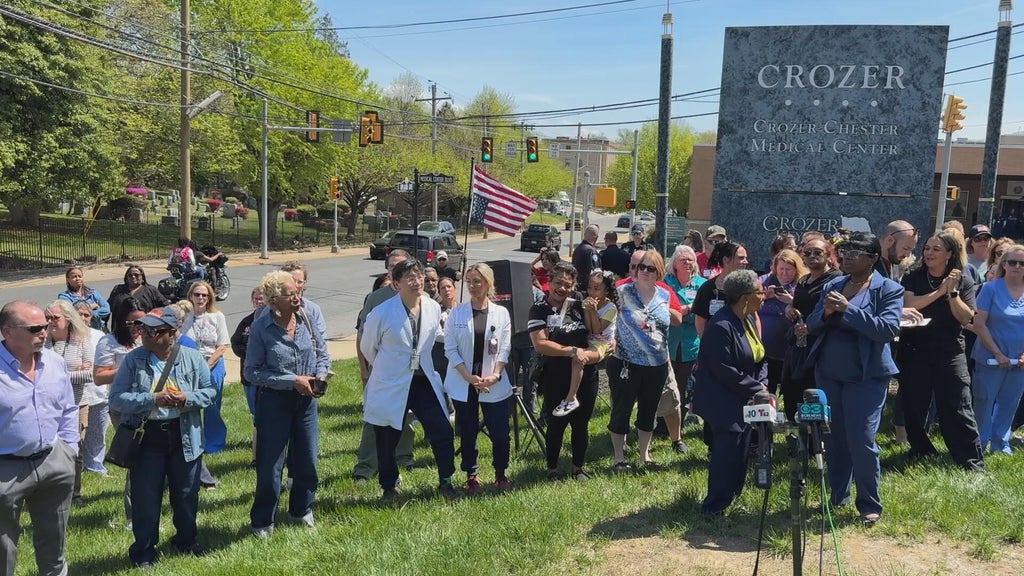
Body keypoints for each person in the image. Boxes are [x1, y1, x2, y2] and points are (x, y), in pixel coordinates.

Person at [807, 232, 904, 525]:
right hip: (830, 372)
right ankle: (838, 496)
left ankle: (869, 503)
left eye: (855, 253)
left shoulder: (888, 289)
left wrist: (848, 310)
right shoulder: (834, 285)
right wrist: (824, 313)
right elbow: (811, 325)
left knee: (861, 438)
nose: (847, 257)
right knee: (835, 438)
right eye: (845, 251)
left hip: (867, 376)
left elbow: (886, 330)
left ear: (873, 258)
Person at [109, 306, 213, 567]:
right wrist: (152, 398)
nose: (144, 335)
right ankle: (144, 552)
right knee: (145, 498)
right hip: (148, 437)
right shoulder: (134, 360)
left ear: (171, 334)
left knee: (187, 494)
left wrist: (186, 398)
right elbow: (117, 398)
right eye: (142, 329)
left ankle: (186, 541)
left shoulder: (191, 357)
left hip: (184, 434)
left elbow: (209, 392)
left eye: (153, 331)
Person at [361, 259, 459, 502]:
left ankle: (446, 481)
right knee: (387, 436)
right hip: (392, 381)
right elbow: (368, 348)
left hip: (423, 379)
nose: (417, 282)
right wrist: (391, 366)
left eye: (419, 276)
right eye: (410, 278)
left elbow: (434, 334)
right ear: (396, 284)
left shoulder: (432, 307)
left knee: (442, 429)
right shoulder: (381, 313)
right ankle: (389, 487)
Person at [245, 271, 330, 536]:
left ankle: (302, 509)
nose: (297, 298)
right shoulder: (261, 327)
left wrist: (321, 374)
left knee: (308, 460)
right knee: (271, 466)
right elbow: (252, 372)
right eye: (290, 294)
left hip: (306, 402)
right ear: (272, 301)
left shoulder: (306, 316)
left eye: (297, 292)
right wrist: (292, 380)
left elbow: (321, 352)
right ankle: (263, 521)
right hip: (274, 402)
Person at [0, 301, 78, 576]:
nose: (44, 332)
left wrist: (69, 450)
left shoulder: (54, 362)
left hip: (53, 462)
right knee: (3, 548)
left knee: (54, 543)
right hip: (5, 470)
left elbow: (69, 407)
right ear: (8, 332)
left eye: (45, 325)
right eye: (35, 328)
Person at [898, 230, 984, 471]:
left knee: (957, 404)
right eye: (927, 248)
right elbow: (910, 304)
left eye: (936, 249)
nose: (929, 253)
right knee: (913, 405)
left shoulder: (964, 281)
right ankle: (921, 450)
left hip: (949, 351)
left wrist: (953, 292)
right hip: (915, 348)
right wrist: (940, 291)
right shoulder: (914, 277)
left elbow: (966, 317)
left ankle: (970, 459)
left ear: (949, 254)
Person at [691, 270, 767, 517]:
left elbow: (758, 354)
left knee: (741, 449)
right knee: (726, 452)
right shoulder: (721, 325)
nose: (763, 295)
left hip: (743, 396)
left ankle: (732, 497)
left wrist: (761, 383)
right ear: (744, 297)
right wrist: (757, 387)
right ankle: (714, 507)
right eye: (759, 291)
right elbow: (723, 369)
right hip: (721, 398)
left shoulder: (746, 318)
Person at [443, 263, 514, 493]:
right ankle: (471, 475)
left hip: (493, 382)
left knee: (500, 432)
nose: (473, 286)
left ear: (488, 284)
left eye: (477, 281)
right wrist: (467, 376)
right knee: (468, 431)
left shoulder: (501, 313)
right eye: (469, 281)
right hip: (465, 382)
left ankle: (501, 473)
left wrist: (495, 374)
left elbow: (504, 348)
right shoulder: (457, 313)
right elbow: (450, 348)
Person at [529, 262, 599, 481]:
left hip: (587, 377)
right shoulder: (539, 309)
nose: (562, 288)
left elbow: (596, 332)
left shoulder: (578, 305)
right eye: (558, 283)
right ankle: (552, 470)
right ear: (549, 282)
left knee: (581, 424)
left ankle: (578, 468)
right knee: (556, 424)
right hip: (555, 376)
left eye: (567, 285)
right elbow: (540, 344)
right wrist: (572, 351)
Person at [606, 251, 673, 470]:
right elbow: (606, 318)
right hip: (627, 363)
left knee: (649, 410)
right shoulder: (622, 292)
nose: (643, 271)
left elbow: (670, 324)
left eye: (650, 268)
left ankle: (645, 455)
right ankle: (619, 458)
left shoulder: (664, 295)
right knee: (622, 409)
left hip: (657, 364)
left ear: (659, 271)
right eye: (641, 267)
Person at [354, 250, 416, 482]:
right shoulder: (376, 298)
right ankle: (366, 467)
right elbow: (363, 338)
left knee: (406, 417)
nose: (396, 271)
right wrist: (364, 369)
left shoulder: (419, 297)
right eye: (392, 267)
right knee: (375, 419)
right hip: (381, 372)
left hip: (409, 372)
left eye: (402, 266)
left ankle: (404, 458)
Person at [94, 297, 147, 529]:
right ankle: (134, 517)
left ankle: (148, 510)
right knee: (137, 459)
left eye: (143, 323)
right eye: (132, 324)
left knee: (152, 459)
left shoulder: (149, 338)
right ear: (120, 321)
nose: (138, 329)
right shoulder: (109, 342)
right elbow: (99, 376)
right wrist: (128, 367)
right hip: (123, 407)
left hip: (150, 403)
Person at [43, 299, 97, 505]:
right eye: (47, 318)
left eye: (55, 318)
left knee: (74, 449)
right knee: (49, 449)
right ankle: (49, 491)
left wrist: (61, 375)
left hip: (77, 403)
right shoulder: (44, 341)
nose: (50, 322)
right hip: (48, 404)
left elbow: (90, 374)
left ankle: (74, 493)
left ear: (67, 319)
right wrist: (73, 372)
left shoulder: (82, 340)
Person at [781, 238, 841, 420]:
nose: (811, 256)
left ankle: (817, 439)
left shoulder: (836, 280)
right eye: (807, 253)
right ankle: (797, 437)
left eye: (817, 252)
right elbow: (794, 302)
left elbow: (832, 311)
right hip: (798, 345)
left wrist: (811, 327)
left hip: (821, 345)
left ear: (829, 255)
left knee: (815, 392)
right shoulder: (803, 280)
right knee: (793, 390)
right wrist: (789, 309)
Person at [972, 245, 1024, 454]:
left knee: (1010, 402)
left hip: (1019, 362)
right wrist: (997, 353)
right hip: (990, 357)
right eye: (1012, 262)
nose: (1017, 267)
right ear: (1004, 264)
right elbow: (979, 323)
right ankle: (979, 443)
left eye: (1022, 263)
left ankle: (1001, 443)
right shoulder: (990, 289)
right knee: (984, 401)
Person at [179, 280, 230, 488]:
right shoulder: (185, 318)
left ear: (210, 298)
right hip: (190, 365)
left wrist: (206, 366)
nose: (201, 298)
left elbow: (222, 345)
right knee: (192, 406)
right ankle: (194, 441)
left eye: (205, 295)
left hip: (212, 363)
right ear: (191, 296)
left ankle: (214, 443)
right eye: (197, 294)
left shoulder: (217, 317)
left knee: (212, 403)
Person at [553, 270, 618, 418]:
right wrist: (587, 310)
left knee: (578, 359)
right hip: (589, 340)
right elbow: (588, 327)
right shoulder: (587, 303)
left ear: (606, 291)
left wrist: (593, 311)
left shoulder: (611, 308)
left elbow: (596, 329)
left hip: (602, 344)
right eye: (589, 288)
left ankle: (571, 398)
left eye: (596, 289)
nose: (591, 292)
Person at [665, 245, 705, 452]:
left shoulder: (703, 285)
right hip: (669, 342)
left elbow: (704, 312)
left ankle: (676, 425)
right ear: (674, 264)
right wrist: (690, 309)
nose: (687, 263)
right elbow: (667, 312)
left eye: (690, 259)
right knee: (665, 384)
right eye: (683, 259)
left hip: (691, 343)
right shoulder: (666, 284)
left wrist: (682, 312)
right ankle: (661, 422)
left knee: (683, 385)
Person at [758, 249, 807, 394]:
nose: (784, 273)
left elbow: (809, 309)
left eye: (789, 270)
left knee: (790, 392)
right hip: (765, 349)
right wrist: (765, 297)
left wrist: (791, 302)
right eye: (781, 269)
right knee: (767, 390)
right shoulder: (763, 281)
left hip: (790, 349)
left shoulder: (802, 284)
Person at [71, 302, 108, 479]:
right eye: (79, 314)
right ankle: (77, 466)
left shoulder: (99, 335)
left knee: (99, 432)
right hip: (77, 394)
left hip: (98, 391)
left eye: (86, 315)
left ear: (91, 317)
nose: (83, 318)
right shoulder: (68, 337)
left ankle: (95, 465)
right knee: (79, 433)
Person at [231, 288, 265, 462]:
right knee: (255, 414)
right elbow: (235, 343)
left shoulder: (270, 321)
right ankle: (257, 448)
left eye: (262, 298)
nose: (259, 301)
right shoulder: (246, 322)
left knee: (264, 415)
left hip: (266, 379)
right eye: (256, 298)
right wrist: (249, 353)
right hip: (249, 378)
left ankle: (262, 451)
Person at [693, 241, 750, 337]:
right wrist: (708, 344)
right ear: (726, 259)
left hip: (742, 344)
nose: (746, 261)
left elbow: (754, 317)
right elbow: (700, 322)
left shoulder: (749, 287)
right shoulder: (707, 288)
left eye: (746, 258)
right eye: (741, 258)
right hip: (716, 344)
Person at [57, 266, 110, 330]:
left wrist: (85, 313)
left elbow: (107, 310)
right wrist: (90, 307)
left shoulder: (93, 293)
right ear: (68, 279)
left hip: (98, 329)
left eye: (80, 276)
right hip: (78, 331)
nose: (77, 278)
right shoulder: (64, 297)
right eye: (74, 277)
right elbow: (71, 314)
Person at [572, 225, 602, 292]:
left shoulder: (577, 249)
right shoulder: (592, 251)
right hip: (587, 289)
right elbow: (596, 273)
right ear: (596, 238)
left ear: (584, 235)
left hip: (577, 287)